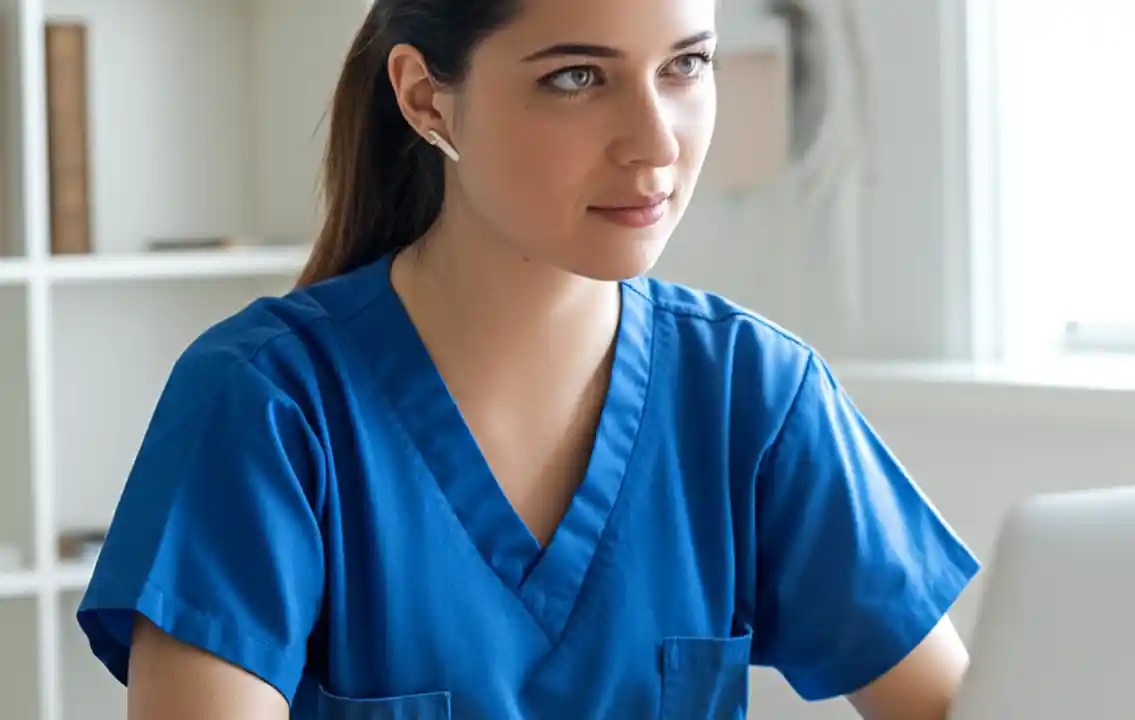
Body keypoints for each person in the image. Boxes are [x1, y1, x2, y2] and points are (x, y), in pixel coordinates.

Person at [76, 0, 980, 717]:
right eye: (578, 77)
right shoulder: (269, 405)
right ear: (428, 98)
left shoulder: (754, 395)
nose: (657, 142)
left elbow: (955, 706)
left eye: (686, 66)